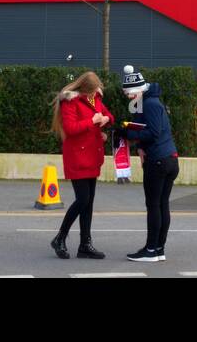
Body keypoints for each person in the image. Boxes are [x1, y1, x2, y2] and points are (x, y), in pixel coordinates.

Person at [118, 66, 178, 262]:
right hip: (168, 158)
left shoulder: (150, 104)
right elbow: (151, 130)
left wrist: (129, 134)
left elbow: (153, 132)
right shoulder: (150, 101)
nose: (128, 97)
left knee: (154, 205)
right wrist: (139, 144)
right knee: (161, 205)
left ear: (139, 90)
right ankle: (159, 249)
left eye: (130, 93)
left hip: (158, 161)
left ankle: (151, 250)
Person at [50, 70, 112, 260]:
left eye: (96, 92)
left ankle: (85, 244)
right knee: (83, 200)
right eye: (92, 93)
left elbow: (108, 114)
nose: (94, 95)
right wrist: (92, 121)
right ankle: (60, 237)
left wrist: (106, 119)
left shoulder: (95, 98)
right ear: (84, 89)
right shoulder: (71, 101)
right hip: (77, 156)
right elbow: (70, 128)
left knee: (89, 202)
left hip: (92, 154)